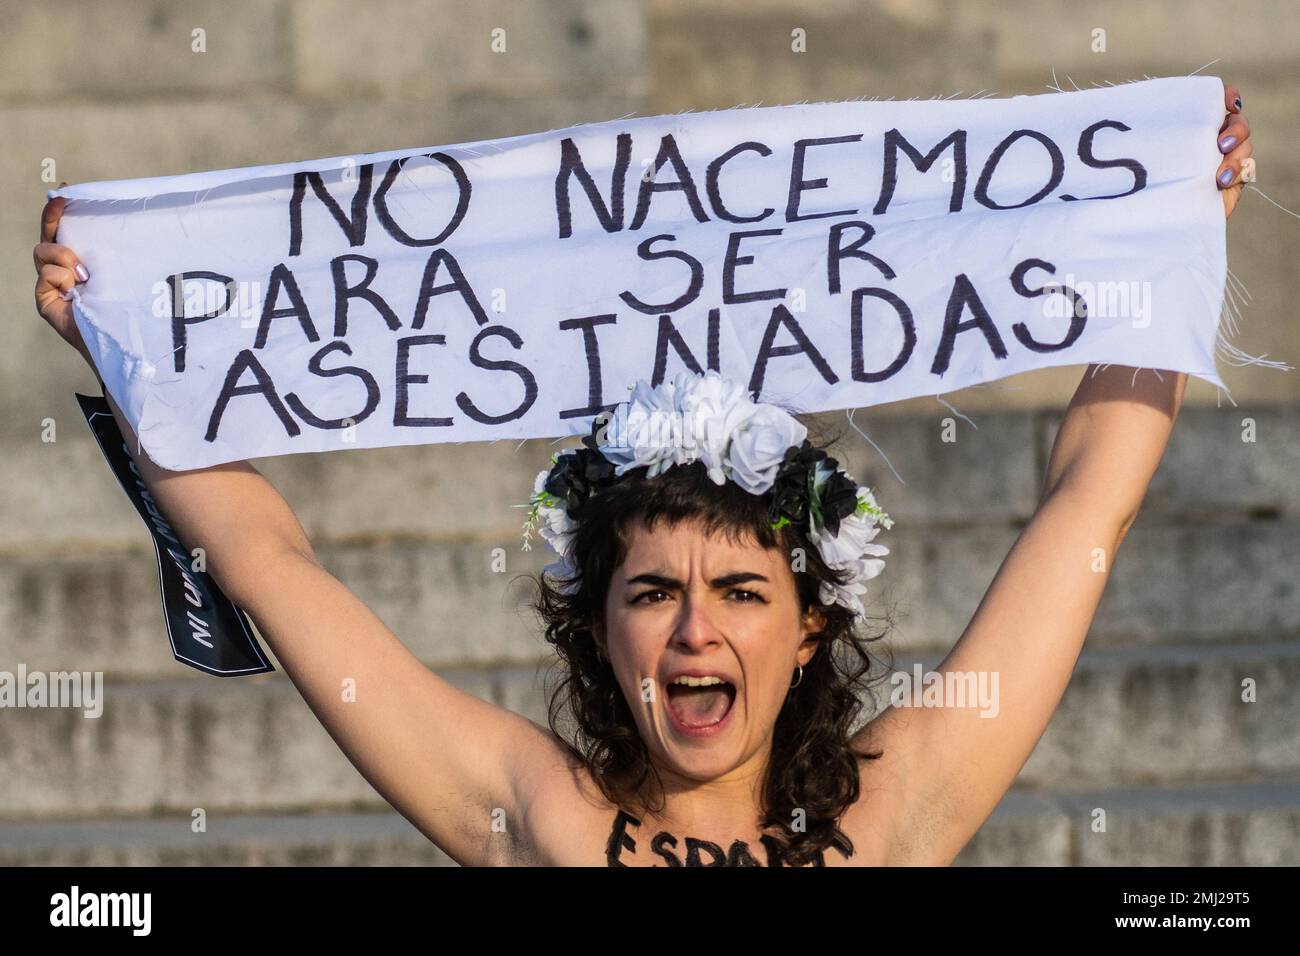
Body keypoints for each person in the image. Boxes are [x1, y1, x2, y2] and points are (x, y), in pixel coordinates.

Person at [32, 83, 1253, 867]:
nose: (693, 629)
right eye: (654, 591)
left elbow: (1086, 502)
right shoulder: (538, 816)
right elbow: (267, 563)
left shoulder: (897, 813)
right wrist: (137, 353)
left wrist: (1167, 230)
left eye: (740, 590)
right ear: (598, 625)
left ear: (810, 622)